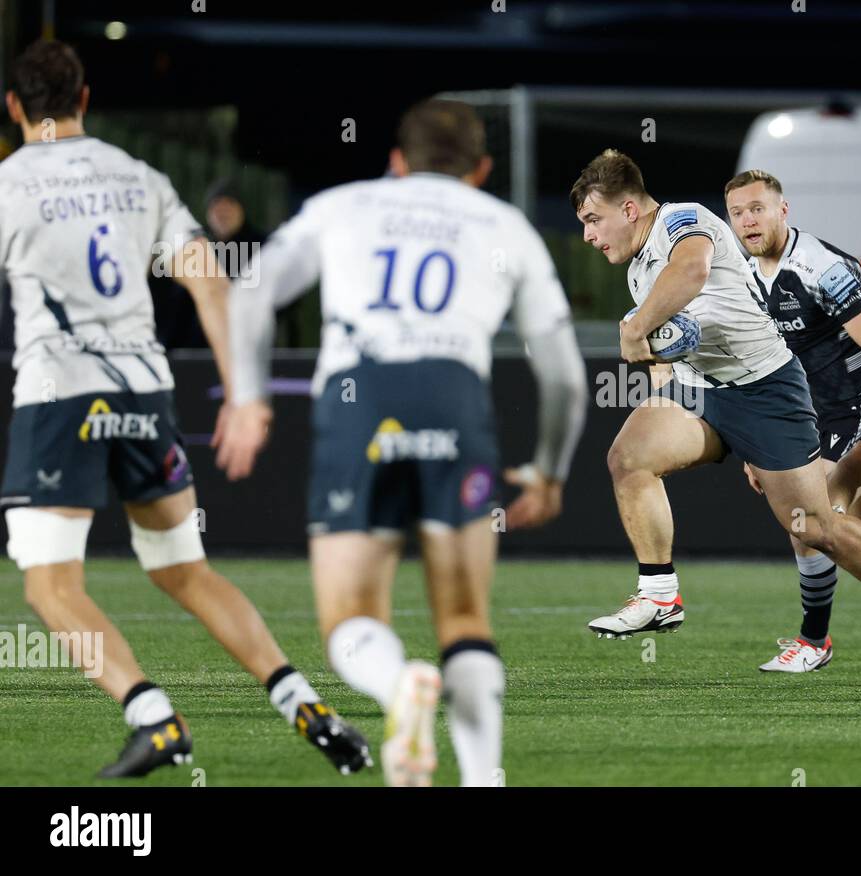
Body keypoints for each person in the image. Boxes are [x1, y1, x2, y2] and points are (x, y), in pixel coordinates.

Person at [0, 40, 369, 778]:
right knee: (183, 570)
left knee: (50, 584)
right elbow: (209, 284)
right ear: (84, 99)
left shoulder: (9, 182)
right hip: (145, 391)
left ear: (13, 108)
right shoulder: (139, 177)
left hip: (59, 393)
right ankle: (303, 702)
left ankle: (152, 717)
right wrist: (242, 393)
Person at [218, 98, 588, 786]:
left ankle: (399, 690)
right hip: (455, 397)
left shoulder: (345, 205)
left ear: (396, 161)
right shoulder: (504, 224)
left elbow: (249, 291)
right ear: (479, 169)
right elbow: (565, 374)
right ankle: (484, 778)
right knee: (465, 617)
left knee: (351, 617)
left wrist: (249, 399)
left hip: (362, 399)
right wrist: (548, 469)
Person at [572, 150, 861, 668]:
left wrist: (635, 328)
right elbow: (664, 360)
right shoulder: (638, 271)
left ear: (629, 208)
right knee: (628, 458)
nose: (589, 235)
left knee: (815, 528)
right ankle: (659, 594)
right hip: (703, 395)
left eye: (594, 219)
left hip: (767, 392)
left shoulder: (685, 221)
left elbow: (693, 270)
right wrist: (659, 383)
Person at [724, 169, 861, 672]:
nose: (748, 220)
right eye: (738, 212)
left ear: (783, 210)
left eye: (757, 208)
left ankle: (817, 639)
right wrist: (756, 447)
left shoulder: (820, 265)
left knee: (808, 520)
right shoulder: (743, 279)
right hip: (811, 417)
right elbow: (755, 368)